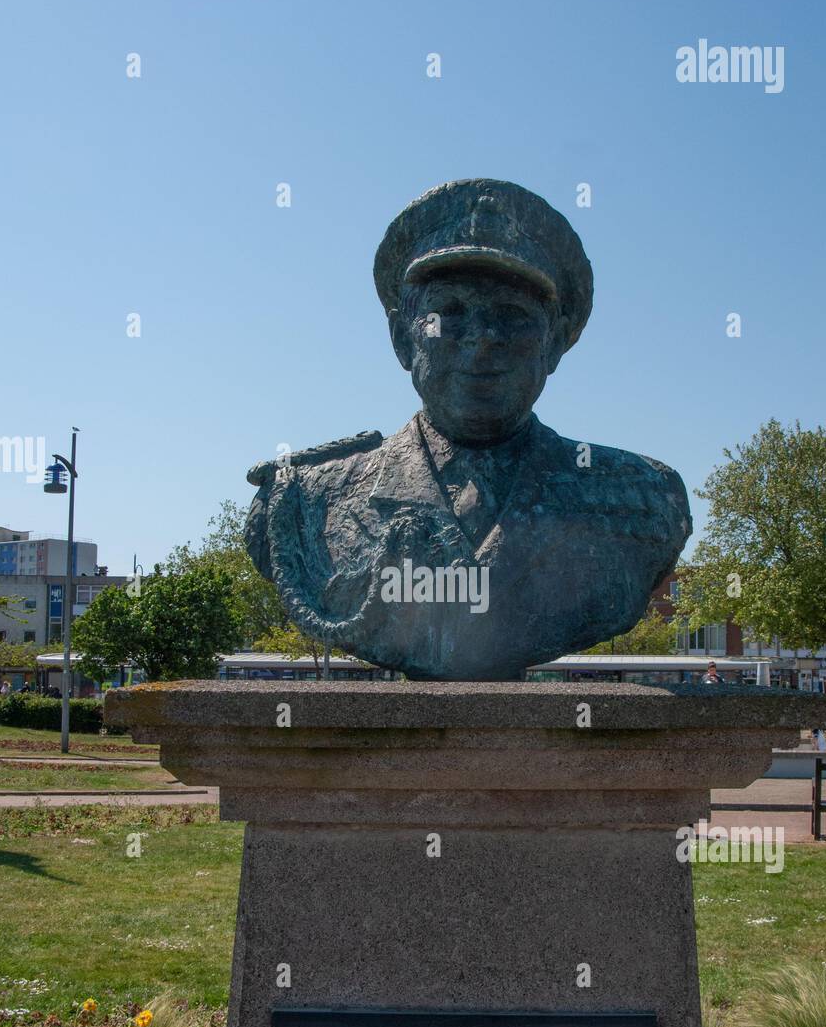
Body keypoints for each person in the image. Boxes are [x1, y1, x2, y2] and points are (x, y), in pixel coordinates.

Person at [246, 179, 691, 680]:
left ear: (555, 343)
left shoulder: (641, 499)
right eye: (448, 314)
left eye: (513, 316)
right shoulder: (304, 501)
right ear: (401, 338)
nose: (482, 342)